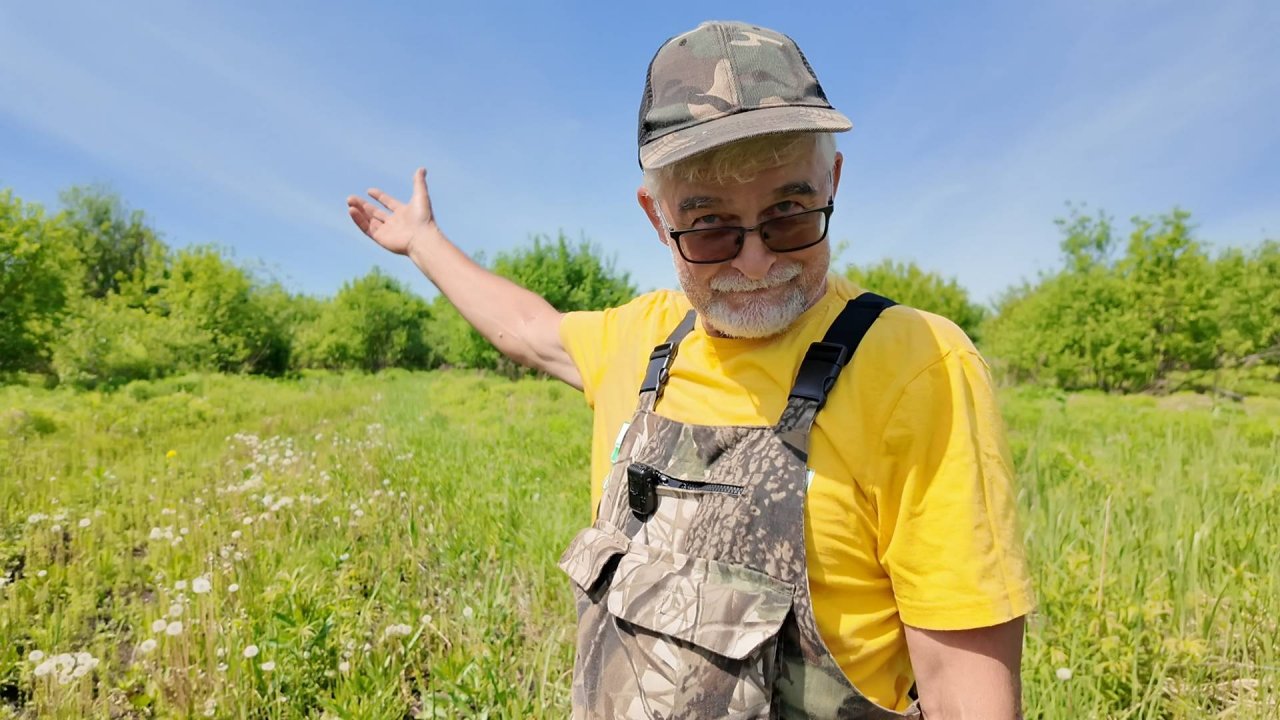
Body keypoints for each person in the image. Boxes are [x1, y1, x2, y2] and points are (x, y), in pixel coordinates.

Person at [347, 20, 1033, 720]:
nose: (756, 262)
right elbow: (528, 330)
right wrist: (423, 244)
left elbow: (964, 694)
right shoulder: (642, 339)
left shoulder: (916, 367)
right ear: (656, 216)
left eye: (790, 214)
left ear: (833, 181)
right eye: (710, 227)